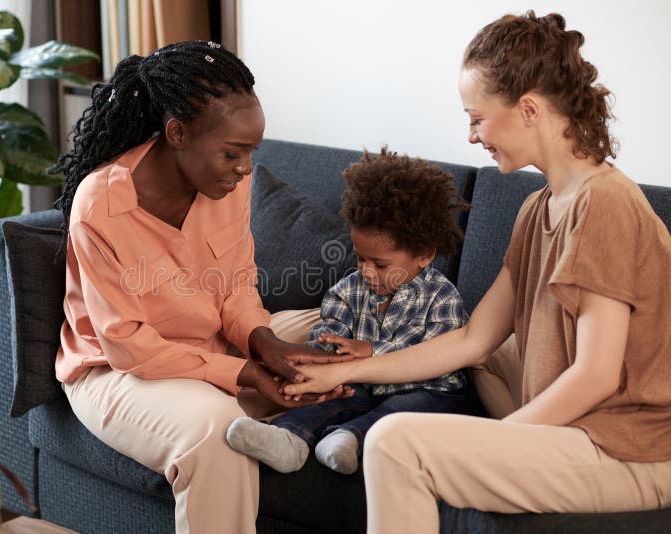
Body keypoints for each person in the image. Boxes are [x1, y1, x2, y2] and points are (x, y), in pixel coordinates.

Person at [280, 11, 671, 533]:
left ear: (529, 109)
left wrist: (502, 438)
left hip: (630, 449)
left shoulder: (604, 205)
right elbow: (472, 341)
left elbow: (596, 375)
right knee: (481, 365)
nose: (471, 136)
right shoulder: (539, 208)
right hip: (581, 433)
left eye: (476, 117)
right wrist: (340, 371)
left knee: (395, 441)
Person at [50, 41, 347, 534]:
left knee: (343, 337)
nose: (246, 169)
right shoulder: (100, 205)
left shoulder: (226, 184)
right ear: (177, 133)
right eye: (233, 153)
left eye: (251, 152)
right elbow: (128, 346)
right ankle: (265, 407)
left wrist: (262, 338)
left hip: (211, 347)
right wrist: (244, 373)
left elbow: (234, 283)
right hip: (118, 372)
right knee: (220, 434)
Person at [226, 149, 479, 475]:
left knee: (402, 408)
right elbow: (329, 330)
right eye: (361, 259)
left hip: (431, 391)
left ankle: (350, 440)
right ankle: (287, 438)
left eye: (381, 264)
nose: (367, 272)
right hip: (363, 385)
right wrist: (319, 356)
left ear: (424, 255)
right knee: (339, 397)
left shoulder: (441, 295)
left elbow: (433, 357)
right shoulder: (350, 290)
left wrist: (371, 351)